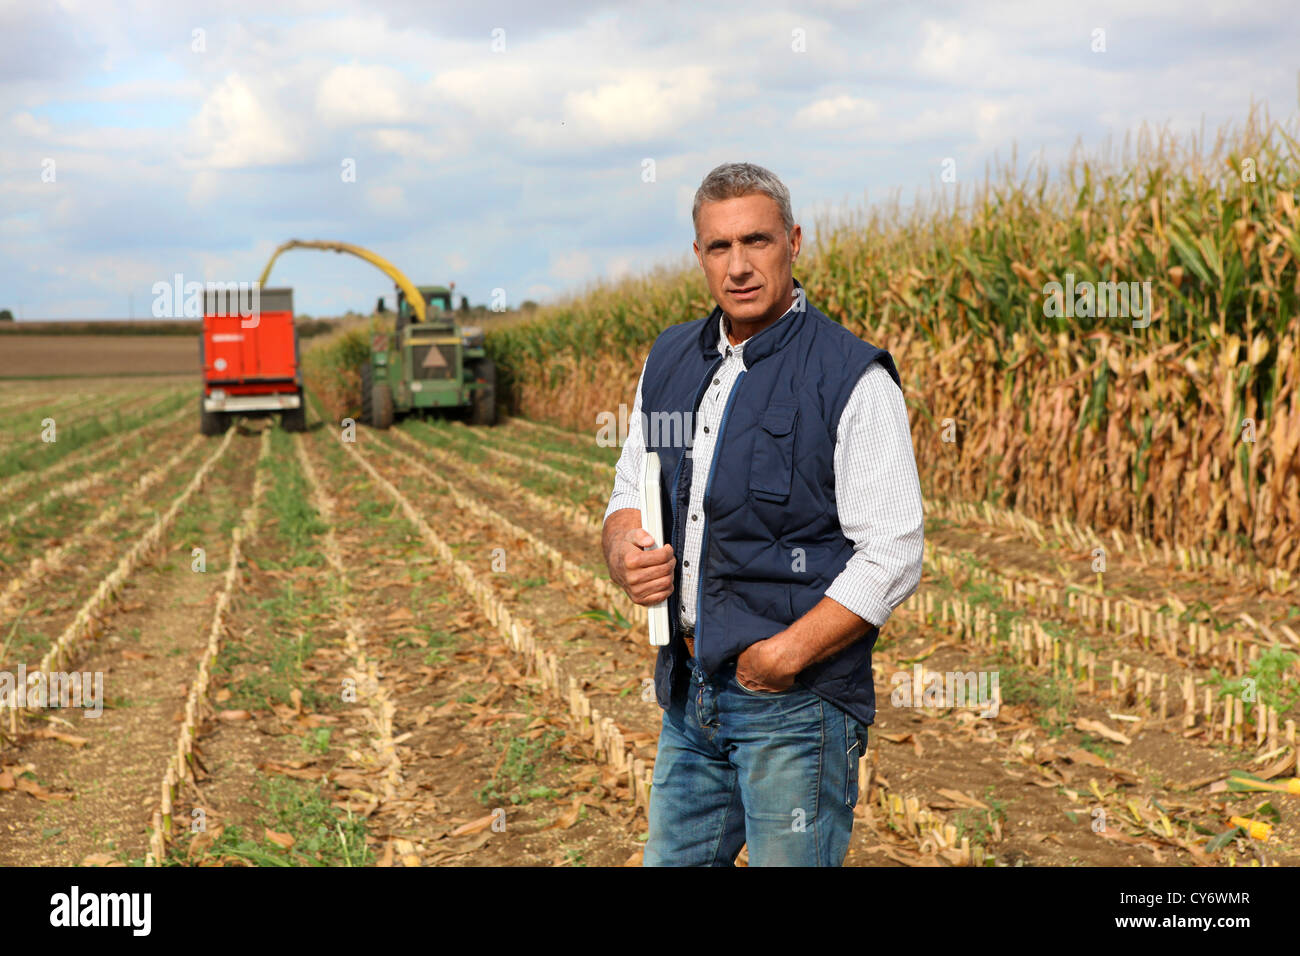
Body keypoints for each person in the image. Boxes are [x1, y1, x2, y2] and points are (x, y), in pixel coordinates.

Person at [601, 161, 924, 866]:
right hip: (689, 698)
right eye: (720, 247)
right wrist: (624, 542)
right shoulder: (669, 359)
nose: (739, 266)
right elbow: (633, 483)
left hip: (794, 709)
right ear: (698, 255)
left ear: (794, 241)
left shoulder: (851, 377)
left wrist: (783, 657)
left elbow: (893, 551)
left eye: (757, 241)